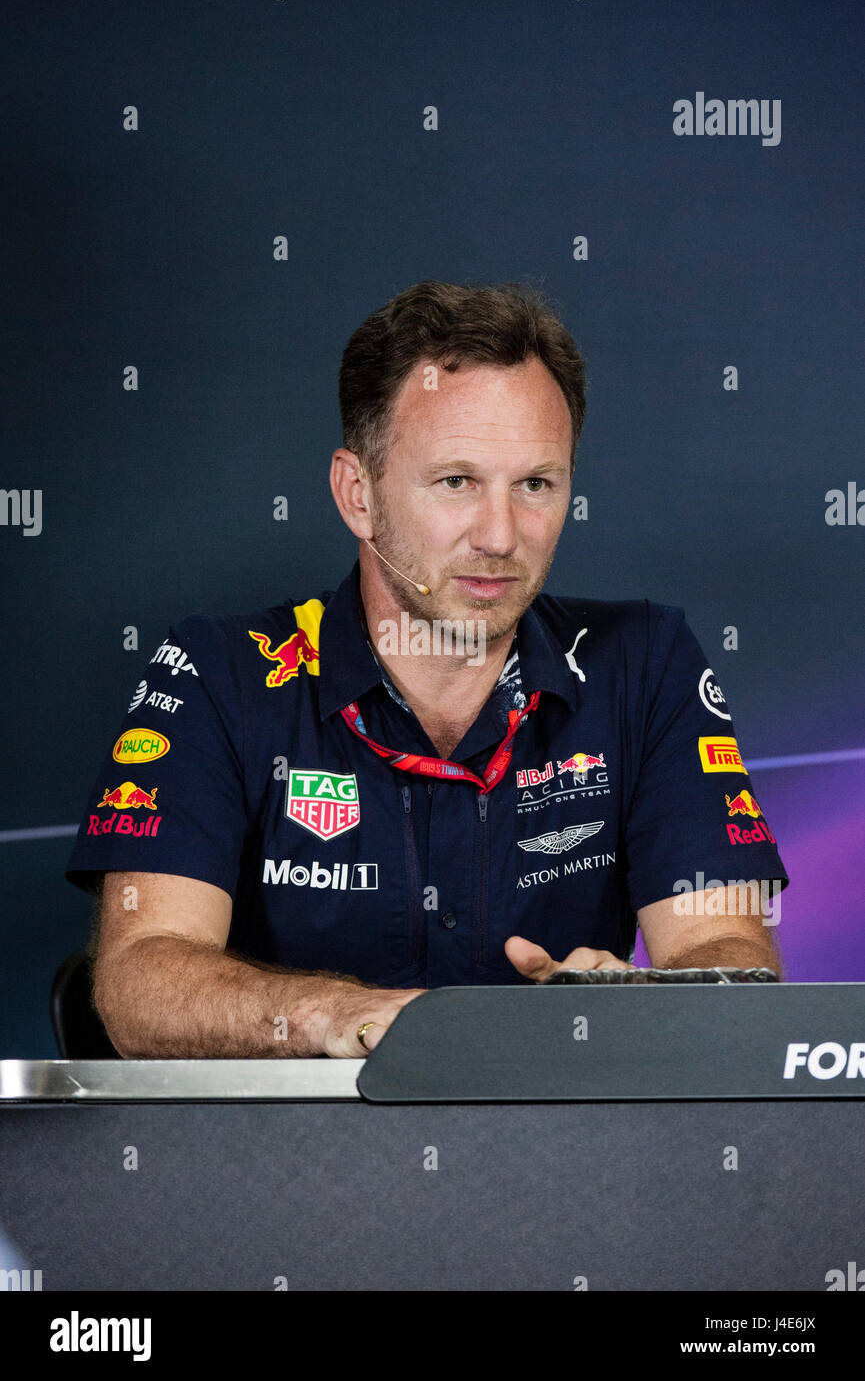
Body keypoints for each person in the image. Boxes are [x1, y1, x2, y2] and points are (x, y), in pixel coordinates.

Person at [66, 280, 788, 1059]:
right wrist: (339, 1016)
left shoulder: (643, 662)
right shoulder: (219, 673)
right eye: (456, 482)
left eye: (535, 484)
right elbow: (139, 981)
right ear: (358, 495)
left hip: (557, 1132)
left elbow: (726, 950)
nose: (499, 535)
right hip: (289, 1137)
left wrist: (645, 1008)